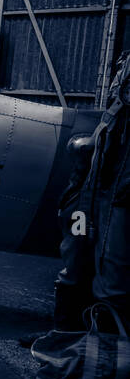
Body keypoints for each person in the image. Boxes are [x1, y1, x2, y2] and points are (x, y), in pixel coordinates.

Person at [54, 51, 130, 331]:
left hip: (120, 189)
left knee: (113, 272)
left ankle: (100, 360)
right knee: (76, 253)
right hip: (97, 180)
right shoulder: (126, 61)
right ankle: (63, 337)